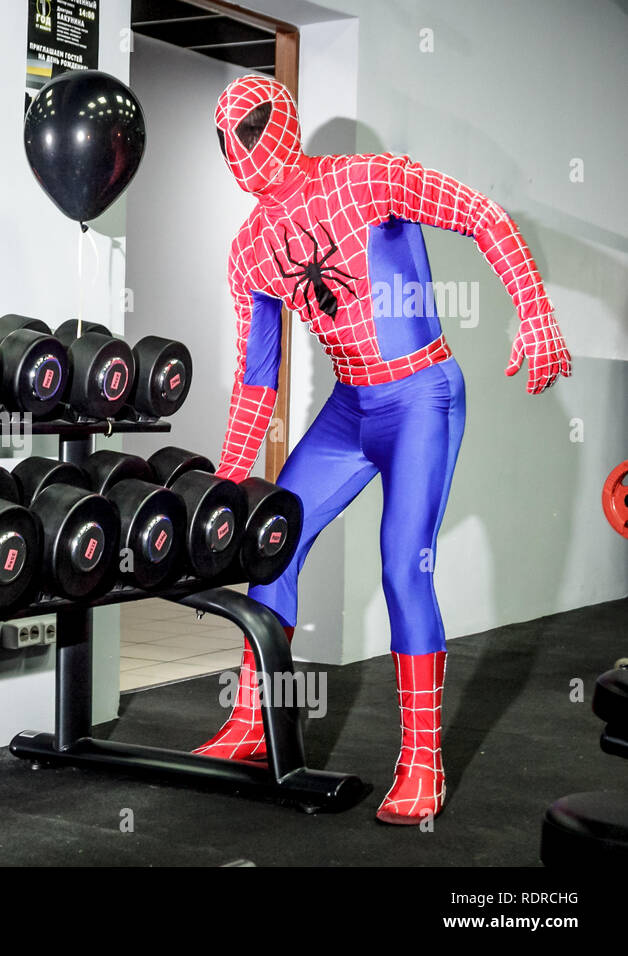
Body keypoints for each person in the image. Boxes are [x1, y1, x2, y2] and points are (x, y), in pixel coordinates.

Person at [195, 75, 571, 824]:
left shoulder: (370, 179)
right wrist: (227, 486)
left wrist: (533, 310)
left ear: (285, 123)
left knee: (404, 564)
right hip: (351, 404)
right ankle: (252, 720)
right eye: (224, 137)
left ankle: (422, 760)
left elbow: (483, 216)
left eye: (250, 129)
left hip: (421, 394)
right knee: (273, 538)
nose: (237, 152)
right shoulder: (249, 251)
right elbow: (255, 382)